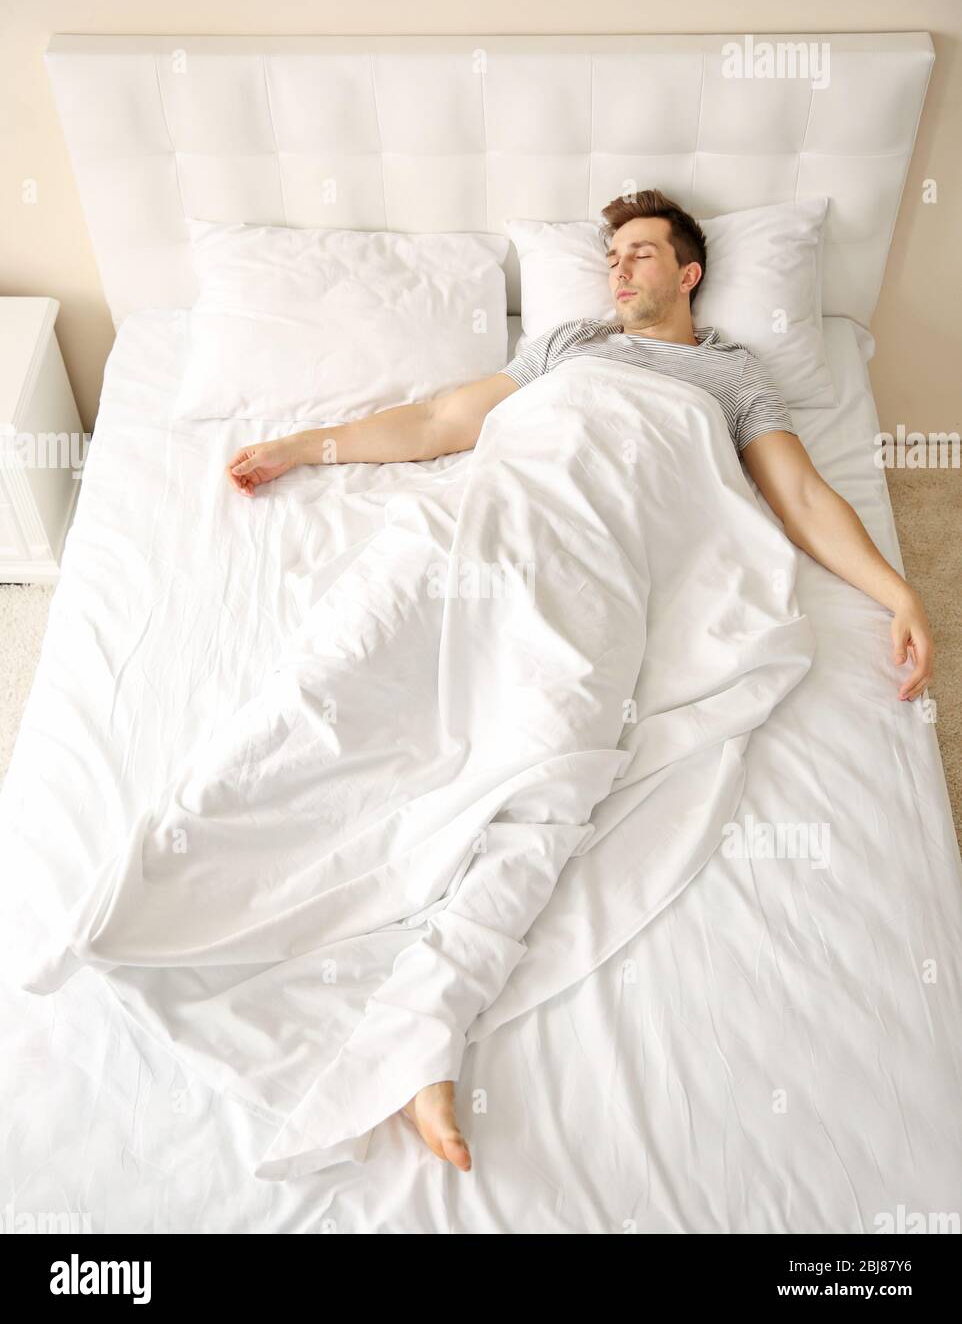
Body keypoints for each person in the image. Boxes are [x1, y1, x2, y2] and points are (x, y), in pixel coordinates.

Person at [225, 189, 935, 1169]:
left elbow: (800, 493)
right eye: (612, 255)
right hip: (484, 524)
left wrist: (896, 592)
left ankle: (423, 1036)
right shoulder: (563, 346)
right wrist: (304, 447)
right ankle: (214, 863)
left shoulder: (729, 374)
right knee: (339, 676)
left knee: (557, 769)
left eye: (641, 253)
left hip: (605, 554)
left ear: (687, 273)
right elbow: (438, 419)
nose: (619, 269)